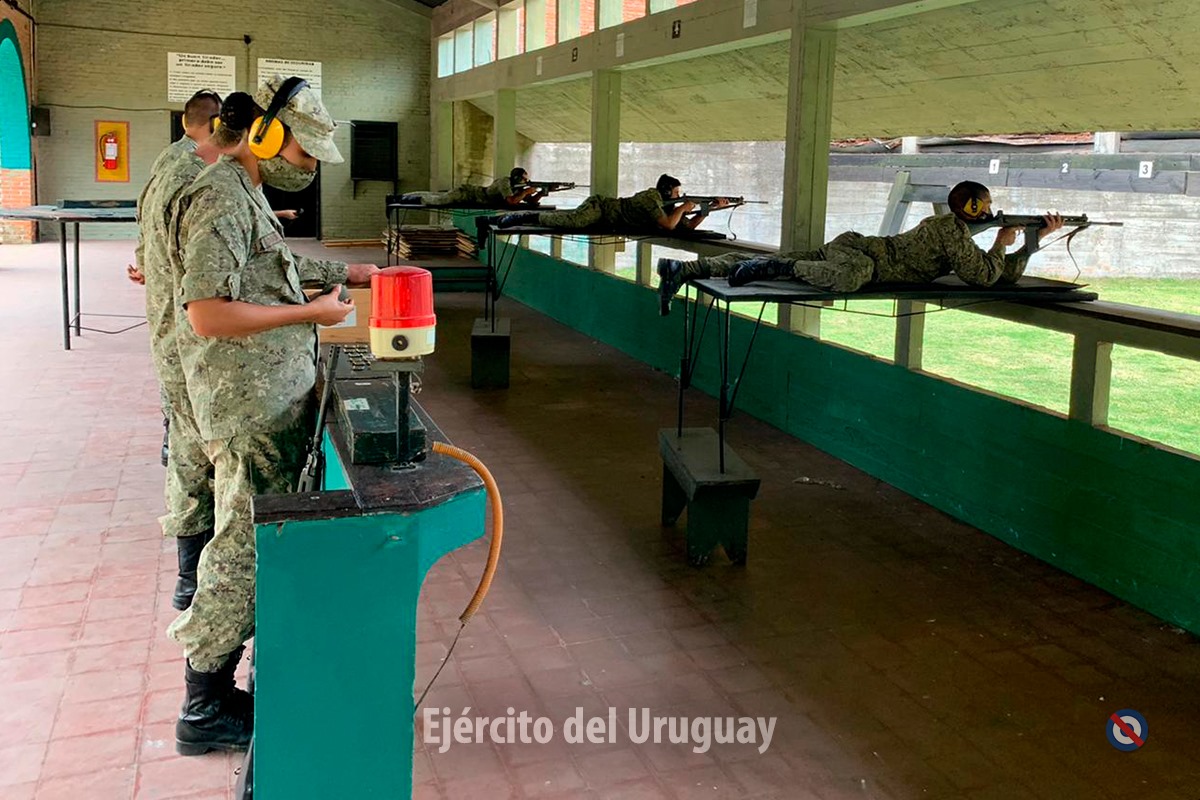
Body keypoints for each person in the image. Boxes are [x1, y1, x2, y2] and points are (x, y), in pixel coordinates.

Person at [165, 76, 380, 756]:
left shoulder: (244, 195)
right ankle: (204, 707)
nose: (310, 168)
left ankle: (216, 691)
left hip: (263, 395)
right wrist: (310, 314)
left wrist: (325, 284)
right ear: (262, 134)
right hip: (244, 403)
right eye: (306, 152)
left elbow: (259, 275)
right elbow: (207, 312)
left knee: (247, 543)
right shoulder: (220, 199)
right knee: (241, 552)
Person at [655, 181, 1065, 315]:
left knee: (777, 257)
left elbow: (999, 274)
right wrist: (999, 241)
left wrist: (1031, 242)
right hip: (860, 257)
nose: (991, 213)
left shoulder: (954, 231)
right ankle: (777, 271)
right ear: (973, 208)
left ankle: (683, 271)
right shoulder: (949, 228)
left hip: (853, 248)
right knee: (850, 278)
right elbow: (982, 276)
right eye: (987, 208)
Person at [128, 89, 222, 611]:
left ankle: (191, 571)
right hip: (186, 330)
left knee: (184, 437)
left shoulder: (168, 160)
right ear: (210, 127)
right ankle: (192, 577)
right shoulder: (195, 174)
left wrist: (148, 264)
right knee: (193, 452)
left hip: (166, 321)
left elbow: (148, 241)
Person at [475, 174, 728, 249]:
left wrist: (704, 211)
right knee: (571, 222)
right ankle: (520, 217)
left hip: (607, 216)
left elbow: (684, 226)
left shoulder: (665, 204)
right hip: (601, 208)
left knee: (569, 221)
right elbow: (668, 225)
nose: (679, 197)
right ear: (664, 191)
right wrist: (684, 208)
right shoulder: (650, 197)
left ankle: (508, 219)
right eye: (676, 193)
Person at [398, 166, 543, 207]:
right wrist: (526, 192)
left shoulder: (518, 189)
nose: (526, 181)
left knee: (437, 196)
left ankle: (404, 196)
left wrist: (543, 193)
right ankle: (402, 199)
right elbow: (511, 201)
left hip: (473, 197)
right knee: (437, 200)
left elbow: (531, 201)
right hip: (468, 193)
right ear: (517, 178)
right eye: (524, 179)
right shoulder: (504, 182)